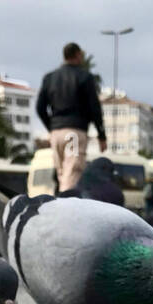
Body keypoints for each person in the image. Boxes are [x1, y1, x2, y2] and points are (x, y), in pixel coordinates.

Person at [36, 42, 107, 193]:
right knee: (72, 176)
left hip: (56, 133)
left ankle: (58, 205)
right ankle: (66, 211)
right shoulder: (84, 77)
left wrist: (52, 127)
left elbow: (40, 108)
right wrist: (102, 135)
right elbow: (95, 108)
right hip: (75, 132)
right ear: (77, 55)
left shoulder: (49, 78)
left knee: (62, 175)